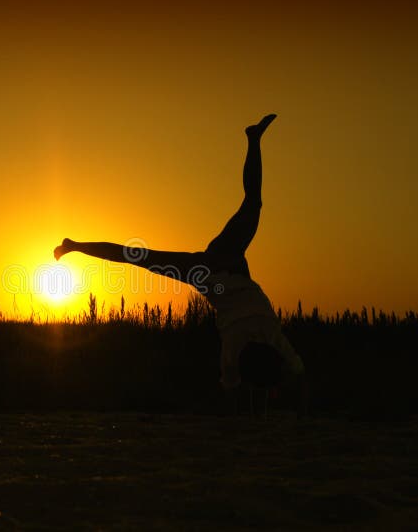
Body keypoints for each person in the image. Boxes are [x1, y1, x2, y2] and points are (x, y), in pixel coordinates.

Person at [54, 114, 306, 415]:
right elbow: (240, 391)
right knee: (138, 258)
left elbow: (293, 377)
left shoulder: (272, 338)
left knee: (140, 256)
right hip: (211, 273)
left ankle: (75, 246)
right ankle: (75, 246)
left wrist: (284, 396)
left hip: (221, 266)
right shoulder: (234, 353)